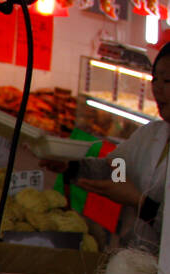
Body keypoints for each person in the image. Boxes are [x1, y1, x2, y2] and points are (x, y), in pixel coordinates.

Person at [69, 43, 170, 249]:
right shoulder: (152, 134)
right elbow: (118, 167)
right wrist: (71, 166)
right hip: (133, 262)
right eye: (155, 79)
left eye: (167, 80)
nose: (157, 88)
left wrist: (139, 202)